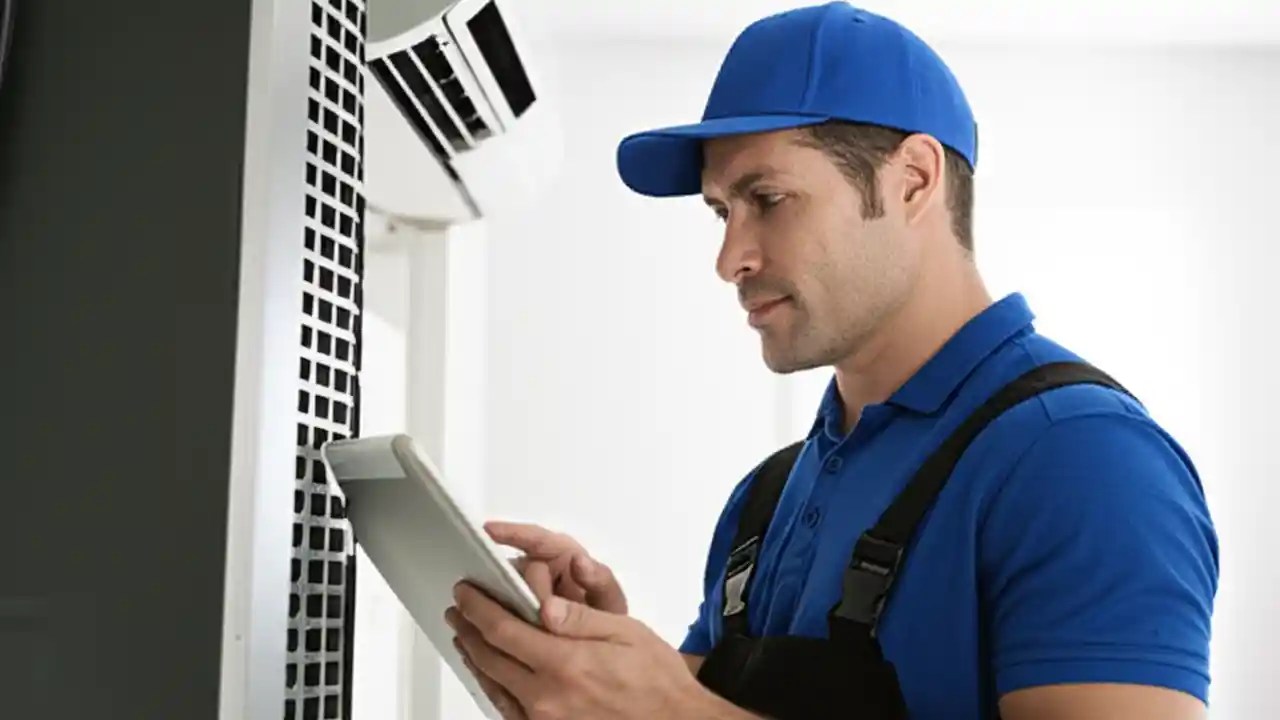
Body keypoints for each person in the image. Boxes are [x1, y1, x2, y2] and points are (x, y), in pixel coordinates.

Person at [444, 2, 1219, 718]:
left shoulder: (1080, 459)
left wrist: (677, 712)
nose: (729, 258)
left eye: (769, 200)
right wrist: (596, 665)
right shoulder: (769, 496)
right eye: (721, 211)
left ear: (912, 180)